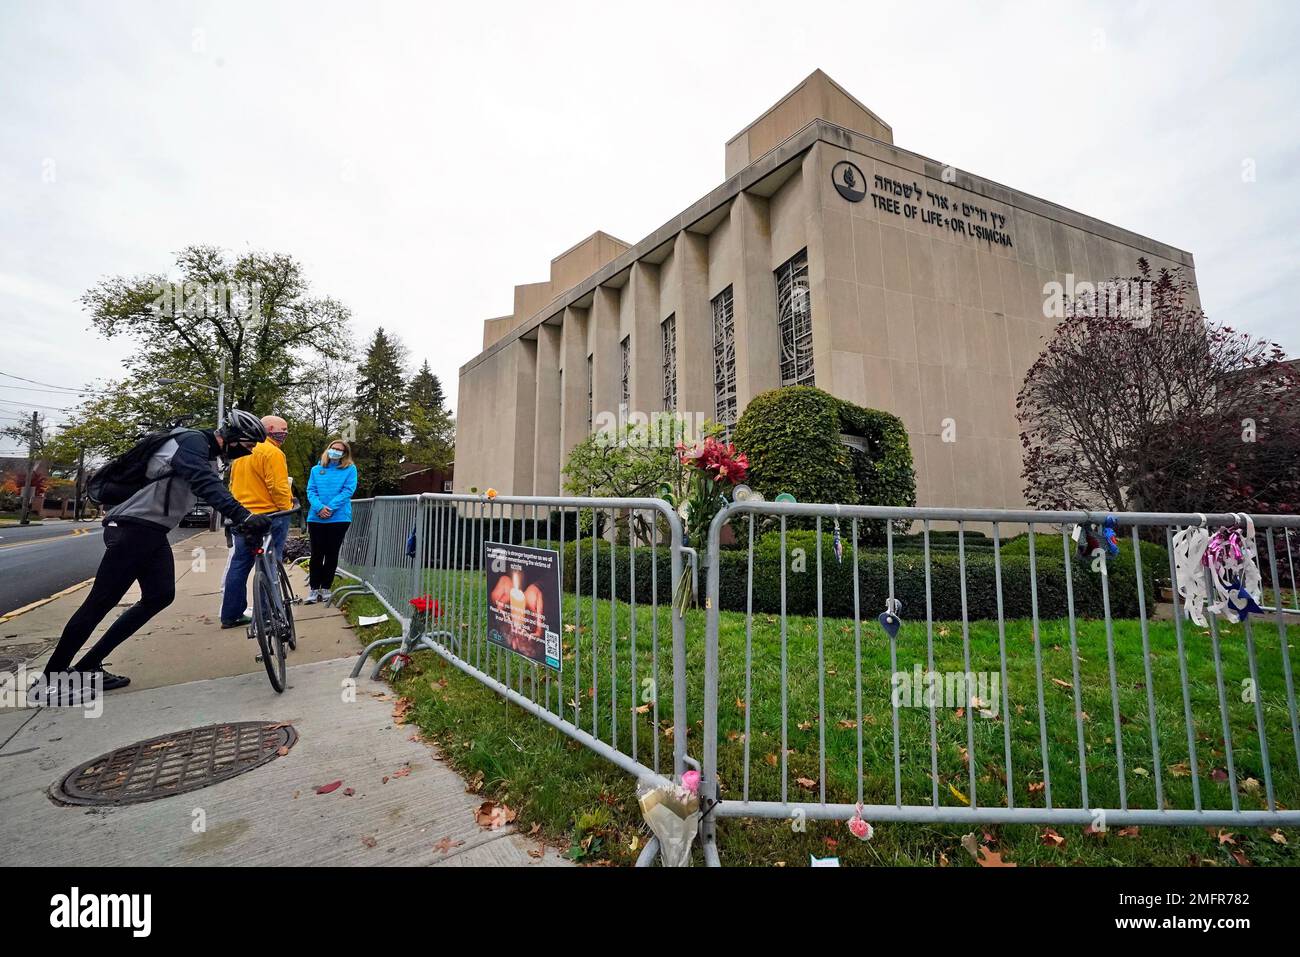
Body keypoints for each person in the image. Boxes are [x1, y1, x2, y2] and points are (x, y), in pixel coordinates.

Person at [33, 410, 271, 705]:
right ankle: (51, 680)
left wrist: (238, 519)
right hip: (132, 529)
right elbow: (204, 484)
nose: (246, 452)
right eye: (247, 445)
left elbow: (202, 488)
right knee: (99, 603)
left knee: (159, 595)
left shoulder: (205, 452)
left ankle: (87, 666)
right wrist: (243, 515)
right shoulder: (192, 443)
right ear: (233, 437)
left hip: (150, 531)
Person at [219, 414, 294, 629]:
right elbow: (278, 487)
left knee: (239, 565)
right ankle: (266, 616)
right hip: (269, 517)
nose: (284, 434)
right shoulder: (273, 453)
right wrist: (286, 509)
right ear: (269, 429)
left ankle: (230, 614)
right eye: (282, 430)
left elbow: (233, 484)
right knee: (269, 565)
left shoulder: (241, 453)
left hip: (242, 516)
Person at [304, 438, 357, 604]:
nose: (335, 451)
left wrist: (330, 508)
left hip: (339, 517)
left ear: (345, 453)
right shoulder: (316, 469)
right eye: (333, 448)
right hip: (316, 518)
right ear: (328, 449)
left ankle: (326, 587)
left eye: (340, 450)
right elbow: (311, 490)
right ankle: (314, 589)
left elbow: (348, 490)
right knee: (317, 554)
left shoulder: (350, 469)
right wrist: (319, 507)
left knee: (332, 553)